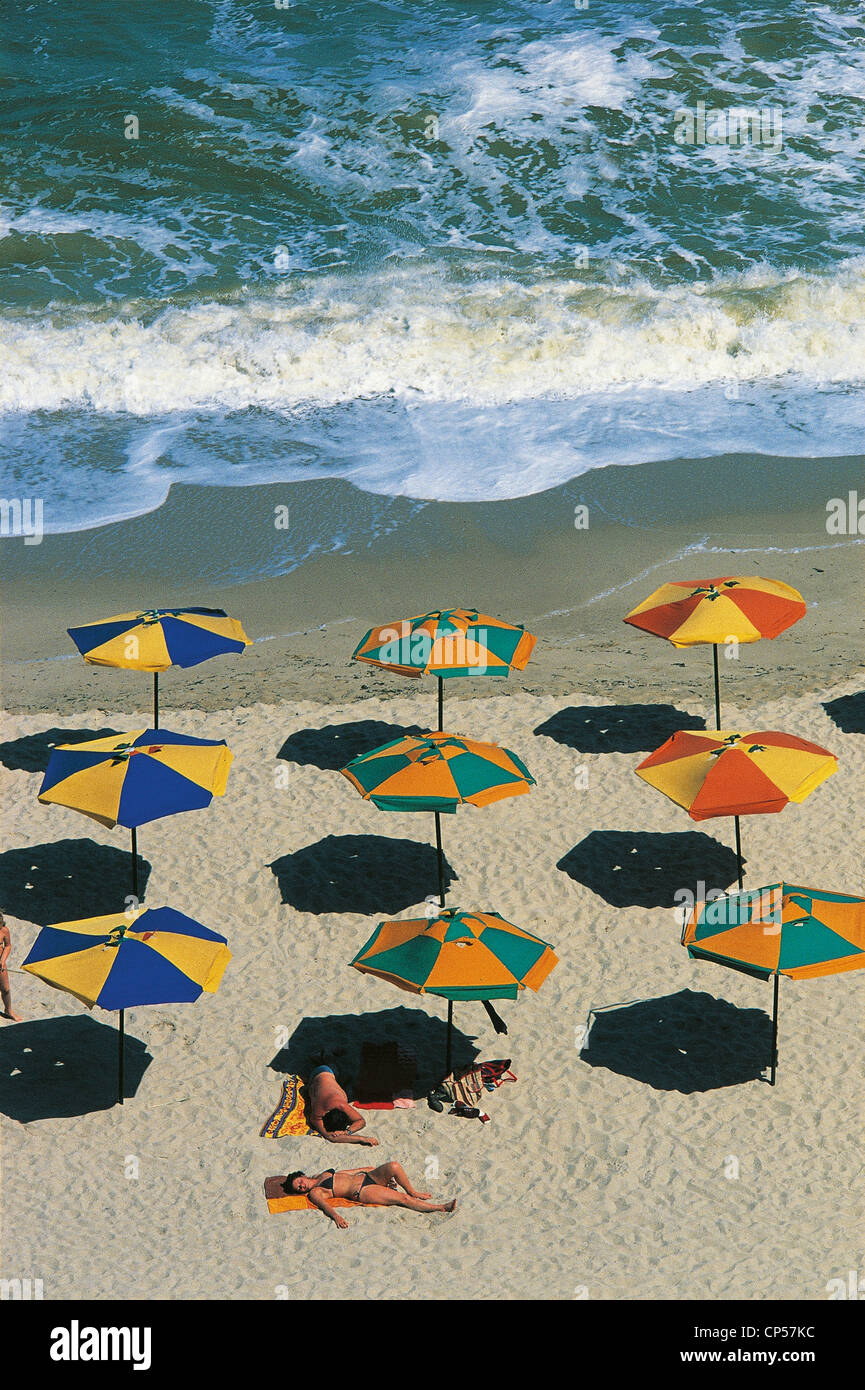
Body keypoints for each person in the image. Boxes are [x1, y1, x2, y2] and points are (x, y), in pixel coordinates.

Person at [284, 1160, 457, 1228]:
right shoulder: (315, 1192)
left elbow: (347, 1172)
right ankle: (441, 1208)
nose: (302, 1186)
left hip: (367, 1177)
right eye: (299, 1188)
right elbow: (324, 1206)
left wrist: (367, 1169)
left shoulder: (323, 1174)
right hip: (362, 1191)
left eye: (299, 1182)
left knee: (394, 1166)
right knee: (402, 1199)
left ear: (302, 1175)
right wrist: (336, 1217)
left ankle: (413, 1191)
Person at [306, 1064, 377, 1145]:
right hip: (321, 1075)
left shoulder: (338, 1106)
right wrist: (357, 1136)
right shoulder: (317, 1114)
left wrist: (348, 1132)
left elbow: (361, 1121)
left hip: (323, 1075)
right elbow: (331, 1137)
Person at [0, 914, 22, 1022]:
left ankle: (8, 1010)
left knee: (6, 989)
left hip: (0, 964)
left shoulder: (4, 930)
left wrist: (2, 960)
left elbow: (8, 946)